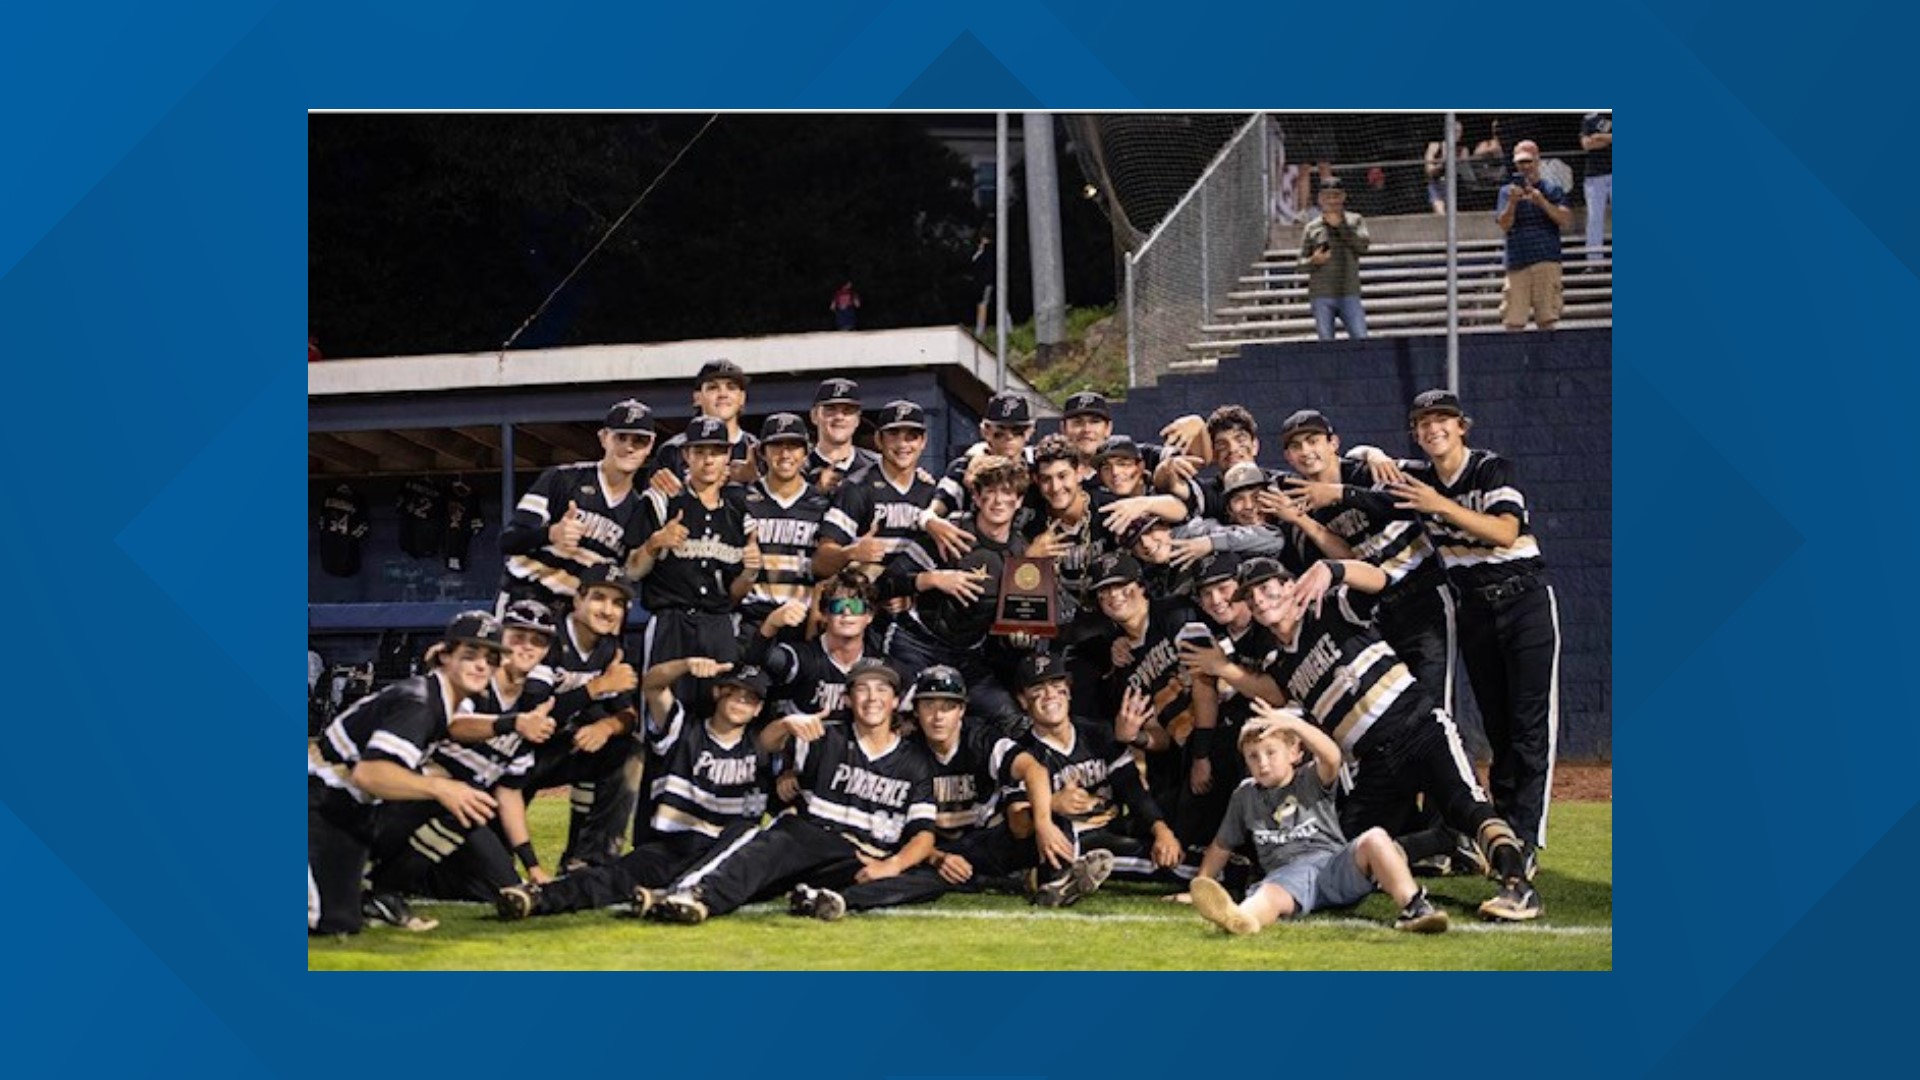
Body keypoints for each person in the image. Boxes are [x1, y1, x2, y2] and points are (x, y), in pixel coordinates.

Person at [1228, 555, 1542, 920]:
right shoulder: (1278, 662)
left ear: (1288, 584)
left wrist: (1334, 569)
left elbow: (1378, 580)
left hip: (1419, 728)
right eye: (1251, 598)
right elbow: (1272, 692)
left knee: (1470, 808)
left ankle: (1519, 887)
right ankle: (1440, 840)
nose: (1260, 601)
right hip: (1372, 760)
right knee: (1342, 856)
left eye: (1266, 589)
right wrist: (1219, 668)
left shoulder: (1330, 608)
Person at [1366, 389, 1562, 873]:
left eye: (1443, 420)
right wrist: (1371, 453)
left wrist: (1438, 504)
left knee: (1529, 727)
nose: (1434, 428)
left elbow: (1504, 532)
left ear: (1461, 427)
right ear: (1415, 432)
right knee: (1498, 729)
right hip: (1473, 610)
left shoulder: (1491, 468)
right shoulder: (1415, 478)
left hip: (1524, 603)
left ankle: (1525, 840)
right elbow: (1356, 465)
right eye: (1424, 422)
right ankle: (1500, 831)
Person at [787, 665, 1106, 920]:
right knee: (925, 879)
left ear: (962, 710)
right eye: (929, 706)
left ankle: (1055, 882)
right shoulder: (904, 752)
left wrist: (1043, 823)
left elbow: (1034, 769)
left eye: (948, 707)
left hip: (983, 842)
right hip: (928, 850)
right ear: (916, 711)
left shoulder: (981, 738)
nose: (938, 716)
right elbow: (903, 833)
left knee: (1051, 822)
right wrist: (939, 858)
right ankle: (842, 900)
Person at [647, 659, 937, 924]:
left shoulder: (915, 761)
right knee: (773, 840)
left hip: (859, 860)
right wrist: (786, 724)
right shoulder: (825, 737)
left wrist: (893, 865)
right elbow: (765, 744)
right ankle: (694, 895)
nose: (872, 698)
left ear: (895, 701)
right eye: (862, 689)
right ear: (848, 699)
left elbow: (923, 835)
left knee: (928, 879)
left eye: (882, 690)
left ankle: (824, 900)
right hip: (813, 840)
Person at [495, 659, 777, 920]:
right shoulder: (681, 729)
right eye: (735, 692)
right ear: (718, 693)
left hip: (726, 853)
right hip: (673, 846)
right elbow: (653, 683)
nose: (741, 701)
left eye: (750, 697)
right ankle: (538, 897)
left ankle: (669, 897)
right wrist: (687, 665)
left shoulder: (762, 745)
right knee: (614, 876)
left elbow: (789, 731)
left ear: (759, 709)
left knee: (748, 837)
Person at [308, 611, 506, 935]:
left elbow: (461, 728)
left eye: (491, 658)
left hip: (353, 808)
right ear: (445, 656)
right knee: (327, 920)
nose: (481, 665)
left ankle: (382, 891)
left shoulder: (448, 699)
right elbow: (369, 775)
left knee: (460, 804)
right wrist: (441, 788)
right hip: (320, 803)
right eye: (470, 655)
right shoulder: (420, 702)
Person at [1185, 706, 1448, 935]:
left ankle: (1414, 906)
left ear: (1295, 753)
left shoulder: (1310, 778)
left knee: (1376, 837)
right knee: (1269, 895)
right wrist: (1200, 885)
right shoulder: (1244, 794)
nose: (1262, 763)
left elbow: (1332, 756)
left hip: (1334, 865)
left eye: (1271, 752)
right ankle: (1241, 918)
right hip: (1286, 876)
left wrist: (1294, 724)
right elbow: (1222, 845)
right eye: (1253, 756)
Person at [1008, 653, 1184, 884]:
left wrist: (1162, 831)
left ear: (1069, 691)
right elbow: (1018, 826)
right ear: (1022, 700)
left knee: (1172, 822)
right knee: (1141, 855)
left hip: (1113, 827)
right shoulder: (1019, 752)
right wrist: (1052, 804)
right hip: (1071, 839)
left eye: (1056, 685)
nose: (1050, 694)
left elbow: (1132, 788)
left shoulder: (1098, 733)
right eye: (1037, 688)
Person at [496, 397, 655, 616]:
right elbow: (508, 540)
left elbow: (625, 577)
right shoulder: (562, 478)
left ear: (650, 445)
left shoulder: (638, 509)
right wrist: (550, 533)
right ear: (604, 438)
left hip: (578, 616)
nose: (628, 447)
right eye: (620, 437)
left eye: (639, 440)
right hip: (525, 600)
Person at [738, 412, 830, 643]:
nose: (785, 454)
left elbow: (827, 571)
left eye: (794, 446)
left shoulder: (823, 504)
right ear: (762, 452)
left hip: (804, 620)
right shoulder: (742, 500)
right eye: (776, 445)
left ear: (806, 452)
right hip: (753, 618)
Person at [1496, 140, 1574, 331]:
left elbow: (1564, 219)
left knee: (1548, 319)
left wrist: (1541, 201)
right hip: (1517, 262)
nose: (1525, 167)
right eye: (1521, 163)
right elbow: (1504, 224)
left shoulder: (1551, 190)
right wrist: (1513, 203)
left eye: (1528, 162)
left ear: (1537, 161)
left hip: (1545, 259)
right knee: (1513, 321)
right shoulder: (1506, 192)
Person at [651, 359, 760, 490]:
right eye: (713, 387)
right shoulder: (673, 450)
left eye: (731, 387)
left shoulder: (757, 450)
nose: (723, 394)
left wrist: (756, 482)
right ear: (697, 398)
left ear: (742, 398)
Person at [1298, 176, 1370, 341]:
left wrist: (1341, 227)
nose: (1332, 200)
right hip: (1322, 294)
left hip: (1349, 292)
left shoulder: (1355, 220)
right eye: (1327, 196)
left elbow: (1362, 247)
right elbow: (1299, 264)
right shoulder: (1312, 227)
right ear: (1320, 198)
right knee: (1326, 345)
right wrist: (1313, 261)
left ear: (1343, 197)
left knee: (1362, 340)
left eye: (1336, 196)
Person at [804, 377, 879, 492]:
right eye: (830, 409)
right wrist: (815, 491)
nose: (839, 417)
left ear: (857, 419)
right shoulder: (798, 469)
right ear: (814, 416)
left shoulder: (877, 466)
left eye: (848, 410)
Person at [1580, 112, 1612, 269]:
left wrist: (1599, 137)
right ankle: (1594, 262)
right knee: (1594, 219)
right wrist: (1610, 138)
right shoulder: (1590, 117)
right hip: (1594, 174)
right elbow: (1586, 144)